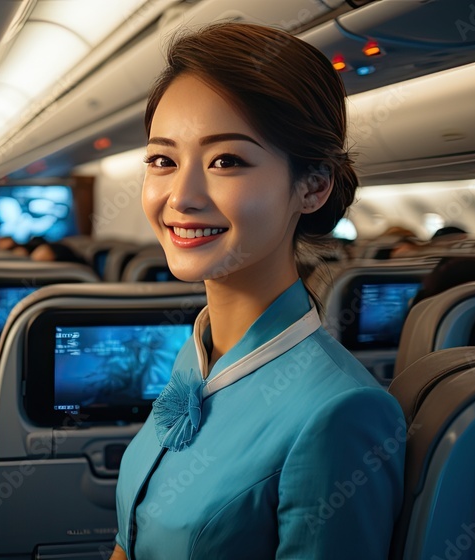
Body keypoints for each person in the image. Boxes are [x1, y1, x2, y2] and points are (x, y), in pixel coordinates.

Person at [111, 23, 404, 560]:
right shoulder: (198, 353)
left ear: (313, 186)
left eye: (226, 161)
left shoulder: (342, 413)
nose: (181, 196)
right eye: (163, 160)